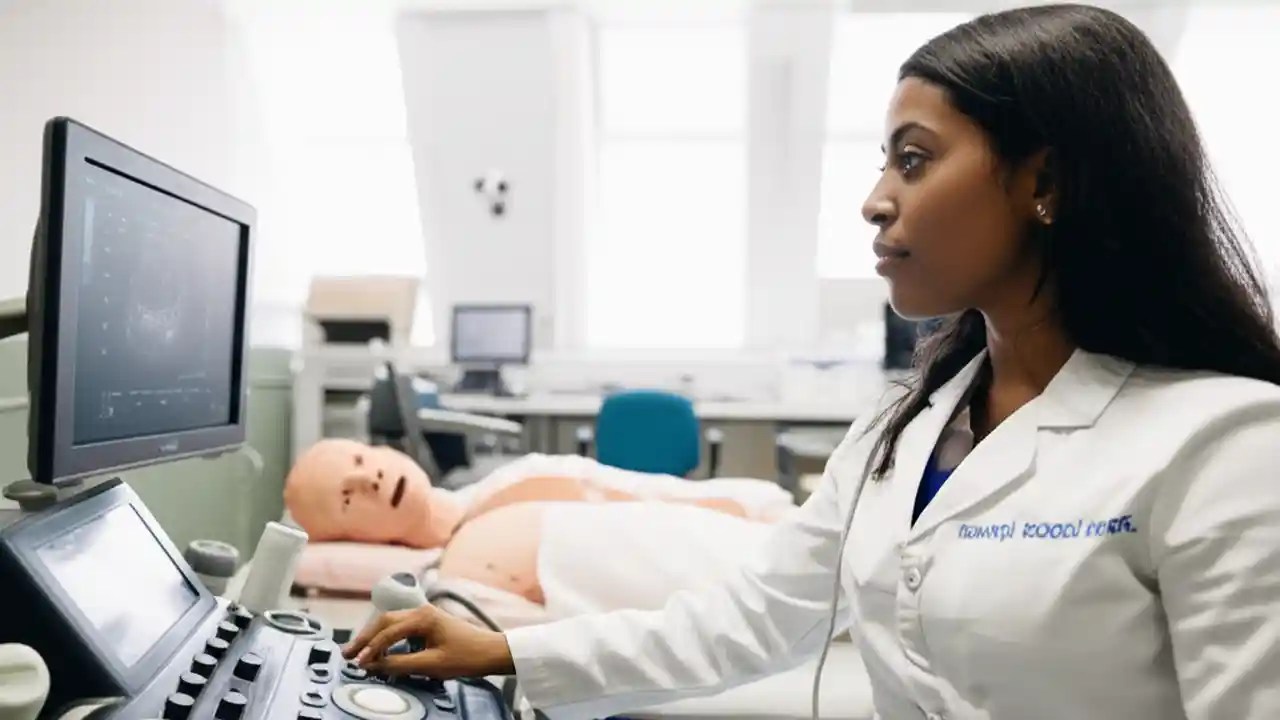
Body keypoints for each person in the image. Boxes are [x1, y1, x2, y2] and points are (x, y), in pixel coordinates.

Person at [344, 5, 1280, 718]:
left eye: (914, 160)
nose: (875, 201)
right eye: (885, 162)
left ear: (1045, 182)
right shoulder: (901, 432)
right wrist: (507, 652)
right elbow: (753, 617)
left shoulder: (1224, 447)